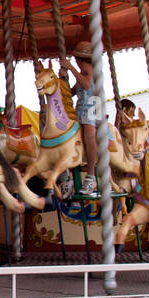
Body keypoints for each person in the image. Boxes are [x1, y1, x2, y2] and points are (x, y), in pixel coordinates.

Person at [62, 41, 100, 197]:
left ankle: (91, 176)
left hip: (92, 106)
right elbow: (72, 92)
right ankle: (69, 176)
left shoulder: (88, 69)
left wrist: (70, 68)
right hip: (81, 107)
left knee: (89, 133)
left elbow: (86, 84)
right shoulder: (82, 71)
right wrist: (62, 81)